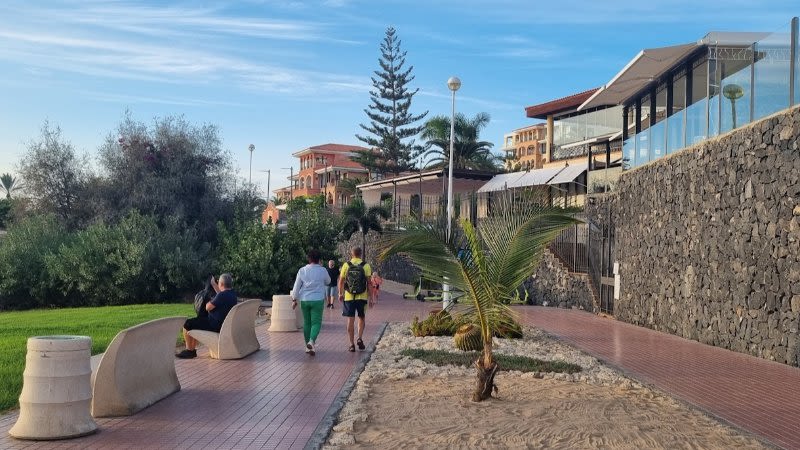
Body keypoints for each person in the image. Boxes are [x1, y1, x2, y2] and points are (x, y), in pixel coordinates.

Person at [176, 273, 238, 359]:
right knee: (196, 323)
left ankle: (190, 351)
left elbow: (207, 307)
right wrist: (213, 284)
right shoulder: (232, 294)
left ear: (221, 284)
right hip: (222, 325)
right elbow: (221, 295)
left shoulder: (221, 296)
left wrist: (209, 301)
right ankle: (191, 350)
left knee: (187, 324)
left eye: (218, 282)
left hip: (214, 325)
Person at [291, 249, 330, 356]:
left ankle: (308, 347)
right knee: (316, 323)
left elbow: (296, 286)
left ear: (309, 259)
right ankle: (311, 341)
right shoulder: (322, 270)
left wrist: (294, 299)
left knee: (307, 323)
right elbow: (328, 281)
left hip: (305, 299)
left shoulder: (302, 270)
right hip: (317, 299)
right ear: (319, 259)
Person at [338, 247, 374, 352]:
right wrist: (371, 298)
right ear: (361, 254)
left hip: (349, 297)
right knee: (361, 317)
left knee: (350, 319)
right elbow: (369, 283)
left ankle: (351, 344)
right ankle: (360, 338)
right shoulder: (366, 265)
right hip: (362, 297)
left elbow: (341, 281)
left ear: (351, 254)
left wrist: (340, 293)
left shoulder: (346, 265)